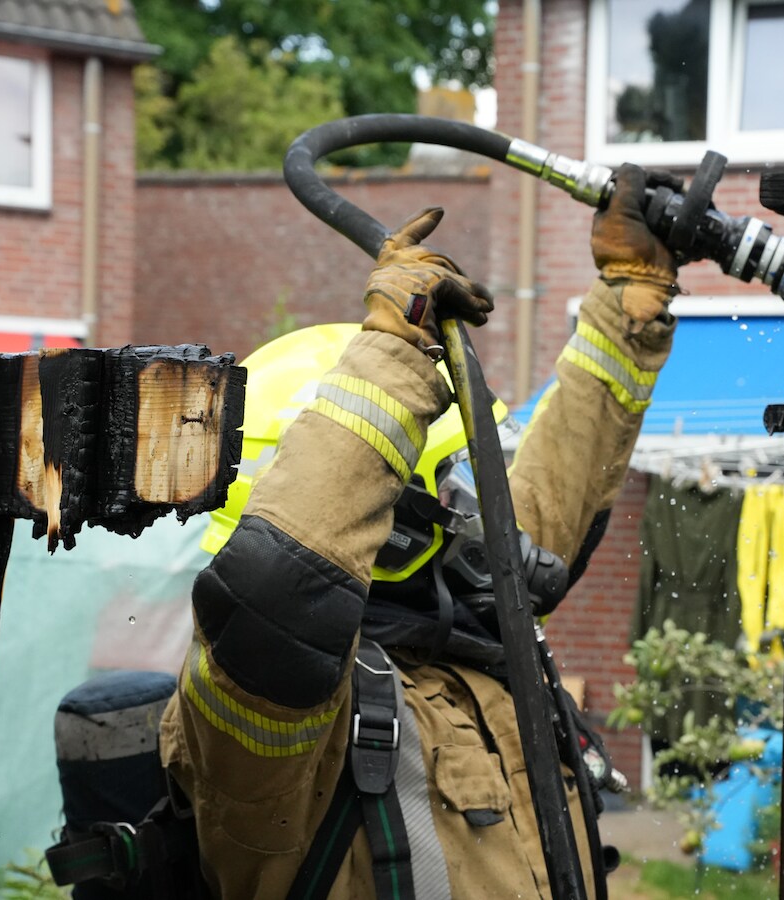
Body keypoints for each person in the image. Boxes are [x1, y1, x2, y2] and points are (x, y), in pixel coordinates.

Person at [157, 163, 683, 899]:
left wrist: (626, 309)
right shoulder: (261, 713)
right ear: (392, 521)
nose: (472, 504)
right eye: (447, 482)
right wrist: (395, 359)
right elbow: (279, 590)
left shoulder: (464, 651)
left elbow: (533, 519)